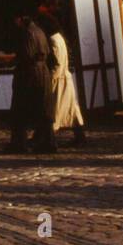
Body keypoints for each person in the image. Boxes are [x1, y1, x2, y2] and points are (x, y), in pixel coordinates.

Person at [10, 9, 55, 153]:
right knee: (43, 111)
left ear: (21, 19)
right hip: (42, 73)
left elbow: (26, 55)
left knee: (19, 110)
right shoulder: (39, 31)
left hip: (30, 74)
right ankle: (47, 143)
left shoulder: (27, 33)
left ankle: (19, 144)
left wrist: (13, 60)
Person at [40, 12, 85, 145]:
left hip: (59, 80)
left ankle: (48, 138)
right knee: (72, 110)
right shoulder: (59, 37)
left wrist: (49, 79)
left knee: (55, 109)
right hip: (64, 78)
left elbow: (57, 63)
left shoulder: (54, 39)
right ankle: (80, 136)